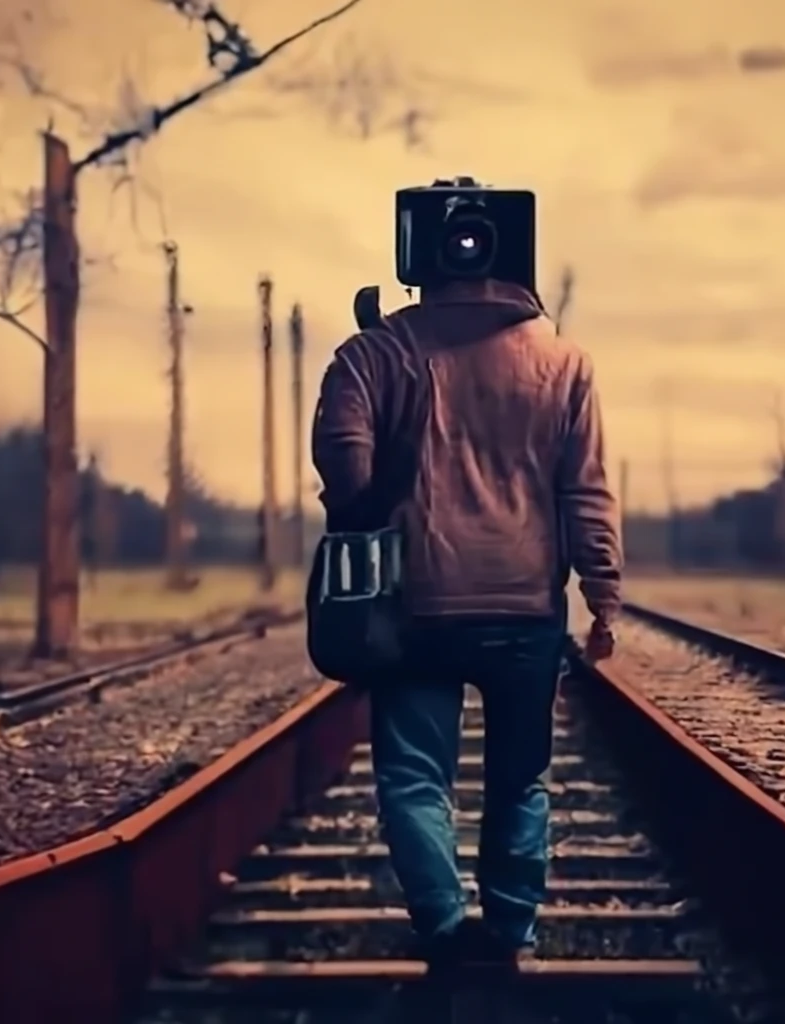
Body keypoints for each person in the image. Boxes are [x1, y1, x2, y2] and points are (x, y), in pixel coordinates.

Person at [312, 264, 621, 971]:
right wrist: (602, 592)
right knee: (520, 777)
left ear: (420, 256)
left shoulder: (375, 351)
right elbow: (588, 489)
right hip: (525, 607)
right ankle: (511, 931)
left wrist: (376, 496)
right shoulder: (565, 361)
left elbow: (343, 464)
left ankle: (445, 930)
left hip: (413, 605)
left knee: (415, 777)